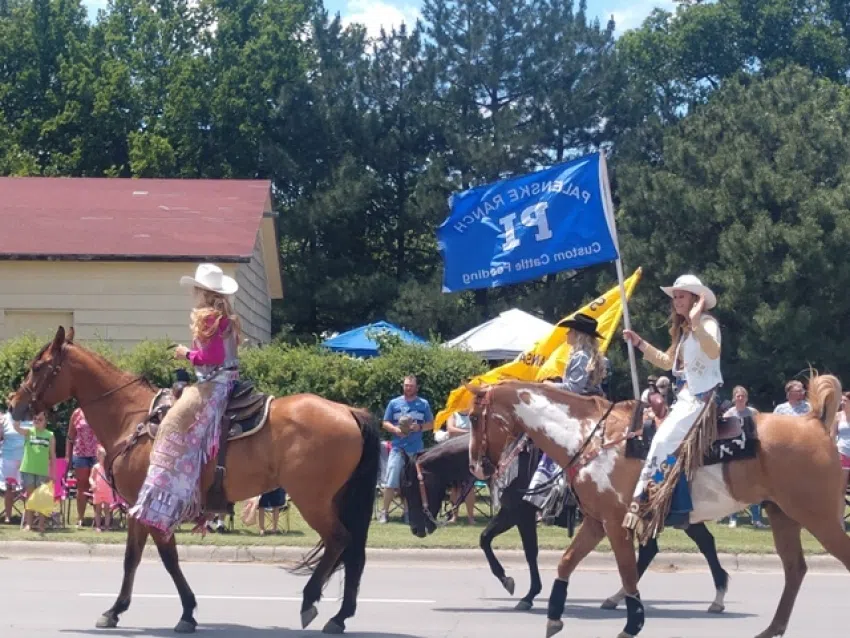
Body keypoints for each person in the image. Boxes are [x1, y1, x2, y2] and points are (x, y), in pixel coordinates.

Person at [129, 263, 241, 537]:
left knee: (174, 425)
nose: (193, 293)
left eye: (196, 289)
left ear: (202, 291)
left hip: (214, 384)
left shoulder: (209, 317)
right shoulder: (226, 318)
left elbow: (212, 357)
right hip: (225, 379)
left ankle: (171, 494)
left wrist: (185, 354)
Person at [622, 274, 723, 540]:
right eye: (675, 297)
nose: (676, 301)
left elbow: (713, 352)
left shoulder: (707, 324)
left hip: (702, 398)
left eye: (681, 296)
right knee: (659, 440)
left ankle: (647, 503)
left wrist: (696, 321)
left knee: (662, 441)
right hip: (685, 399)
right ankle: (664, 501)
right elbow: (668, 362)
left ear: (695, 299)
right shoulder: (684, 332)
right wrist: (639, 342)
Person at [525, 313, 606, 514]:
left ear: (578, 335)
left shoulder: (580, 356)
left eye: (570, 331)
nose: (567, 334)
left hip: (578, 410)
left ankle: (547, 492)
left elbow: (573, 388)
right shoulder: (592, 356)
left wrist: (550, 386)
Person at [378, 375, 434, 524]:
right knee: (391, 480)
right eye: (406, 385)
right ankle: (384, 512)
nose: (408, 388)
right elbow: (385, 422)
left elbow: (431, 424)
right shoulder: (394, 403)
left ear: (417, 387)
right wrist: (395, 430)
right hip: (398, 448)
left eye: (411, 386)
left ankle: (408, 512)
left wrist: (419, 427)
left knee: (412, 483)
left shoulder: (423, 404)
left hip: (416, 449)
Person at [723, 386, 765, 529]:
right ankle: (733, 518)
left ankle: (756, 518)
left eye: (743, 396)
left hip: (750, 451)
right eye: (738, 396)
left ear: (746, 398)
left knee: (754, 485)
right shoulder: (729, 414)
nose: (740, 398)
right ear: (734, 398)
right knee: (734, 486)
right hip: (735, 452)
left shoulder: (753, 412)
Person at [12, 412, 56, 533]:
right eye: (35, 419)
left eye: (40, 419)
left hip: (42, 471)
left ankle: (41, 524)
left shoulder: (50, 435)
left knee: (41, 498)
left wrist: (54, 472)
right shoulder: (29, 432)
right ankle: (28, 524)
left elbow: (52, 455)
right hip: (28, 469)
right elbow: (16, 427)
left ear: (45, 421)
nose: (36, 421)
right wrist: (18, 412)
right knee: (30, 497)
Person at [66, 406, 99, 528]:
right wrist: (68, 456)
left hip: (97, 454)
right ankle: (80, 518)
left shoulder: (100, 410)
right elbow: (70, 437)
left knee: (97, 486)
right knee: (81, 487)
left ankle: (97, 518)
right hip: (80, 454)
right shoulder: (77, 413)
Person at [0, 402, 30, 524]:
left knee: (27, 488)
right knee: (9, 488)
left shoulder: (30, 418)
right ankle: (8, 516)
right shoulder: (5, 418)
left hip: (26, 458)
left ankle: (27, 516)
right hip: (8, 457)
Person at [445, 410, 476, 524]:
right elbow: (451, 430)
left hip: (470, 454)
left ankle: (471, 517)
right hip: (455, 453)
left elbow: (479, 431)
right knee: (455, 488)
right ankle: (454, 516)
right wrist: (469, 432)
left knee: (470, 487)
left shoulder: (474, 414)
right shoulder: (453, 415)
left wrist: (461, 432)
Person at [832, 392, 850, 515]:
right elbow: (832, 436)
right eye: (841, 400)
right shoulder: (837, 416)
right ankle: (839, 519)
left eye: (845, 400)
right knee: (841, 489)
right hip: (842, 453)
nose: (842, 403)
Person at [90, 446, 114, 532]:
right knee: (98, 510)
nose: (102, 456)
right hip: (98, 490)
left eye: (103, 455)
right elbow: (91, 477)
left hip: (107, 490)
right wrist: (92, 484)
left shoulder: (109, 467)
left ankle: (107, 526)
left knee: (107, 510)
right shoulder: (96, 467)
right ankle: (98, 526)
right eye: (100, 454)